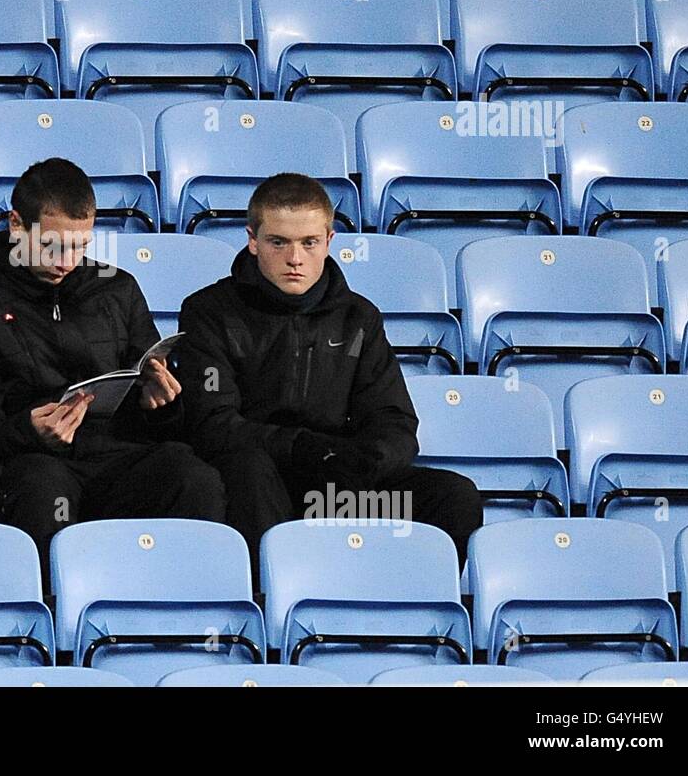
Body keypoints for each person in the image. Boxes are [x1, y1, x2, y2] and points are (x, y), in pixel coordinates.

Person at [178, 173, 482, 573]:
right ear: (252, 240)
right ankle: (275, 604)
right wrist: (303, 447)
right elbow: (214, 425)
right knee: (248, 468)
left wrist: (366, 461)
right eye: (278, 242)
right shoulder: (209, 311)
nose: (295, 259)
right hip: (257, 484)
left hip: (335, 490)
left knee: (454, 495)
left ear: (329, 241)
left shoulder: (359, 316)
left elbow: (395, 420)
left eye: (309, 243)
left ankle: (403, 610)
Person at [0, 158, 226, 577]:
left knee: (192, 475)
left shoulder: (116, 287)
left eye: (79, 246)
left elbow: (154, 405)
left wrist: (160, 405)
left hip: (117, 452)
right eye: (51, 246)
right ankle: (57, 619)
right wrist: (28, 431)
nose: (66, 260)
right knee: (42, 487)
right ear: (16, 225)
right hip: (30, 459)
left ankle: (189, 607)